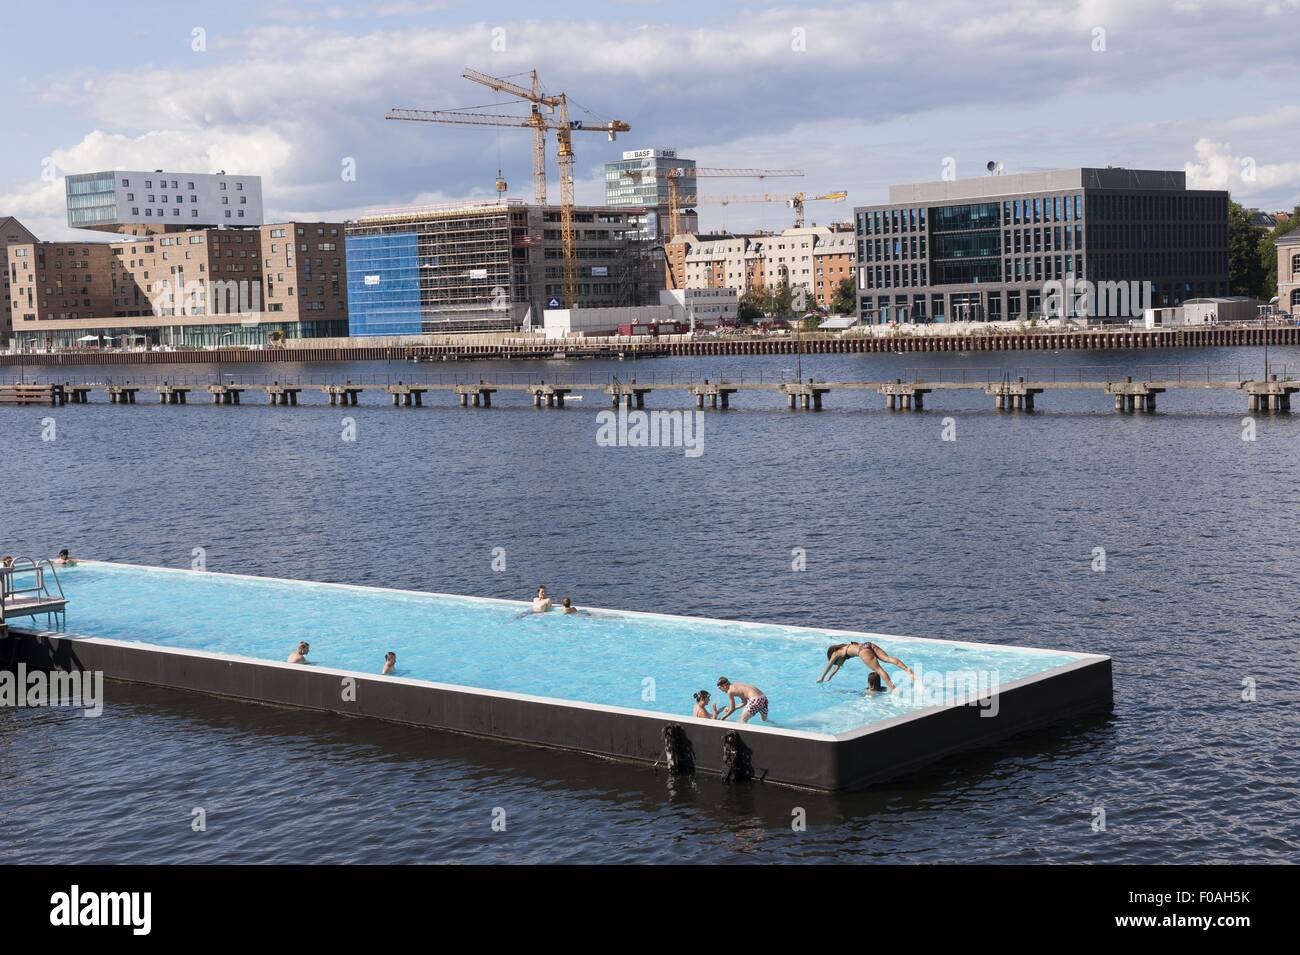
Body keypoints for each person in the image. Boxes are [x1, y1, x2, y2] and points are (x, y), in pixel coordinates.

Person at [818, 641, 916, 691]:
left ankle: (894, 689)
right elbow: (837, 667)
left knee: (879, 670)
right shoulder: (844, 648)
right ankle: (907, 670)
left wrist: (821, 677)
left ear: (832, 653)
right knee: (887, 659)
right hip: (867, 644)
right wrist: (830, 676)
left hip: (863, 651)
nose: (838, 663)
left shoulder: (836, 653)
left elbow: (829, 666)